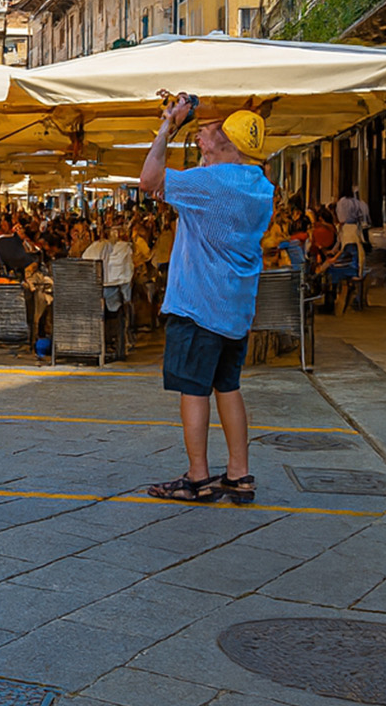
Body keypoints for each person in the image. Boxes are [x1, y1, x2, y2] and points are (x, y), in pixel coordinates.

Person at [140, 97, 274, 504]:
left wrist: (168, 127)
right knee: (228, 387)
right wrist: (201, 147)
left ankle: (198, 477)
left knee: (194, 390)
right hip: (235, 307)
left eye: (213, 131)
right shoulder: (259, 186)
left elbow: (148, 181)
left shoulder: (209, 184)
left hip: (198, 302)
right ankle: (240, 473)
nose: (204, 134)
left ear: (227, 144)